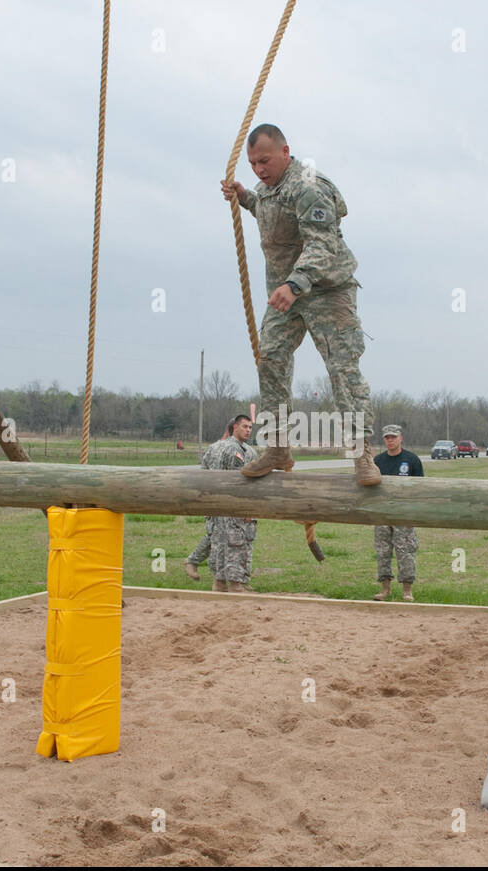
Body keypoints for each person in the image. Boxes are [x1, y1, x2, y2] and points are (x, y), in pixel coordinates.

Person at [219, 124, 381, 486]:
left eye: (264, 160)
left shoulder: (309, 186)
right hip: (287, 294)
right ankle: (277, 446)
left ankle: (360, 453)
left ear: (285, 151)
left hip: (326, 290)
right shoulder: (267, 189)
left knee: (343, 370)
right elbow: (271, 213)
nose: (259, 169)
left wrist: (295, 284)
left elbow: (321, 245)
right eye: (253, 163)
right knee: (271, 358)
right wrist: (245, 196)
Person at [372, 425, 423, 601]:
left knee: (406, 550)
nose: (390, 440)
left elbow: (420, 487)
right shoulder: (378, 461)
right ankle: (385, 589)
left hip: (404, 513)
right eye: (387, 437)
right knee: (383, 550)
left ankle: (407, 590)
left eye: (393, 437)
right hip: (382, 513)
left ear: (400, 438)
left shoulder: (411, 460)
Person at [209, 415, 259, 592]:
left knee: (224, 544)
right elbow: (237, 482)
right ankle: (234, 584)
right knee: (233, 545)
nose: (248, 430)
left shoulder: (247, 451)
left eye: (250, 427)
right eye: (244, 426)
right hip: (230, 506)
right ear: (234, 427)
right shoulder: (229, 450)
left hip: (222, 507)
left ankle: (222, 583)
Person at [183, 419, 235, 581]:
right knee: (218, 535)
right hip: (220, 498)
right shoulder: (226, 448)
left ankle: (193, 561)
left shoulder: (212, 448)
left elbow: (202, 473)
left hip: (214, 497)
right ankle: (216, 575)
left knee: (216, 533)